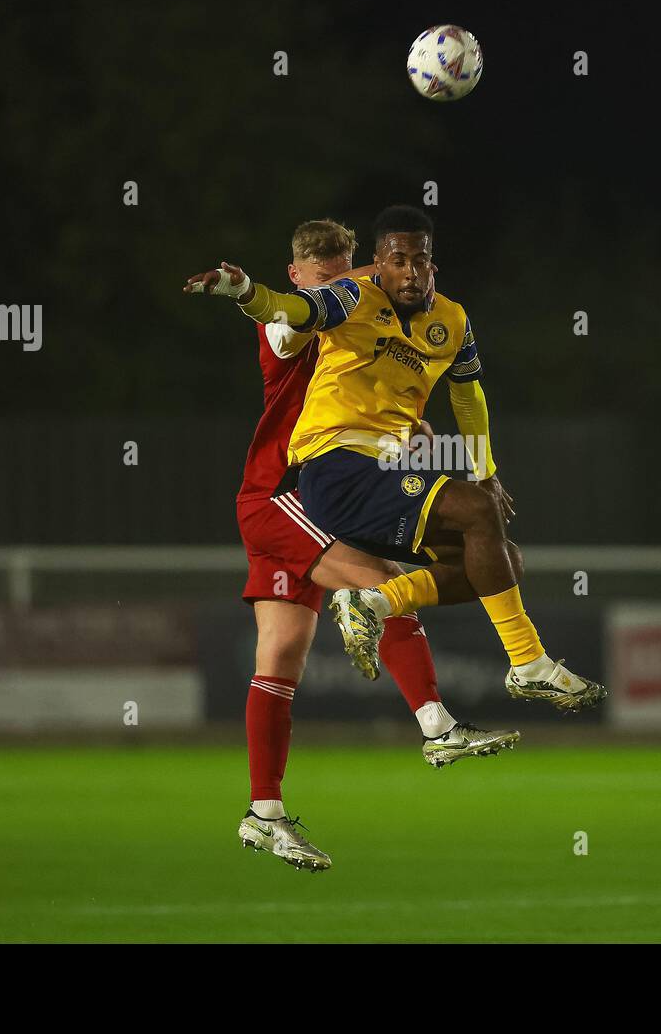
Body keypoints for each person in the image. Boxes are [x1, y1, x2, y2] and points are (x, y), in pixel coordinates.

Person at [185, 220, 518, 873]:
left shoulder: (359, 331)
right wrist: (369, 274)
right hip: (282, 496)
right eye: (325, 276)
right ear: (298, 277)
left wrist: (404, 428)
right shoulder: (291, 326)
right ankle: (436, 726)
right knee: (380, 582)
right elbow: (286, 324)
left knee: (279, 661)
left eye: (345, 270)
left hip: (289, 507)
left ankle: (265, 813)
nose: (339, 285)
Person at [193, 206, 607, 717]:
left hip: (380, 473)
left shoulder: (450, 320)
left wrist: (483, 468)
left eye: (420, 260)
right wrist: (242, 291)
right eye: (397, 260)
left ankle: (376, 606)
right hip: (328, 470)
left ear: (434, 266)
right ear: (377, 266)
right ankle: (519, 669)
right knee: (478, 511)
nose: (409, 271)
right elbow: (288, 314)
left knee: (500, 560)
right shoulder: (351, 297)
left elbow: (468, 394)